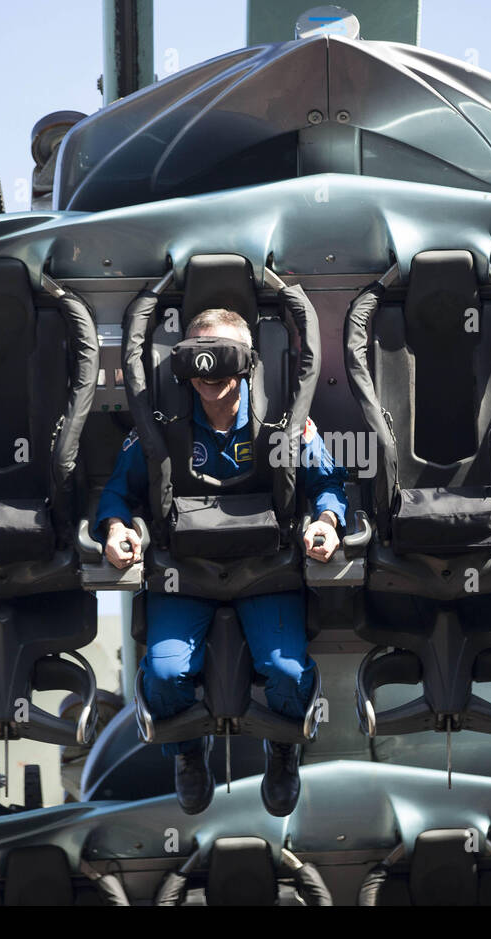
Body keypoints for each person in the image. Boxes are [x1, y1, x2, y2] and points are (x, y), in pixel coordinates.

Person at [94, 306, 347, 817]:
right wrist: (117, 529)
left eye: (221, 357)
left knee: (285, 672)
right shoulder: (160, 420)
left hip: (266, 568)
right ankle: (187, 753)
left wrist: (327, 522)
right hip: (185, 571)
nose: (209, 373)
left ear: (248, 362)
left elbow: (327, 482)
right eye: (198, 359)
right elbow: (118, 492)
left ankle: (283, 750)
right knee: (164, 678)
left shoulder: (284, 417)